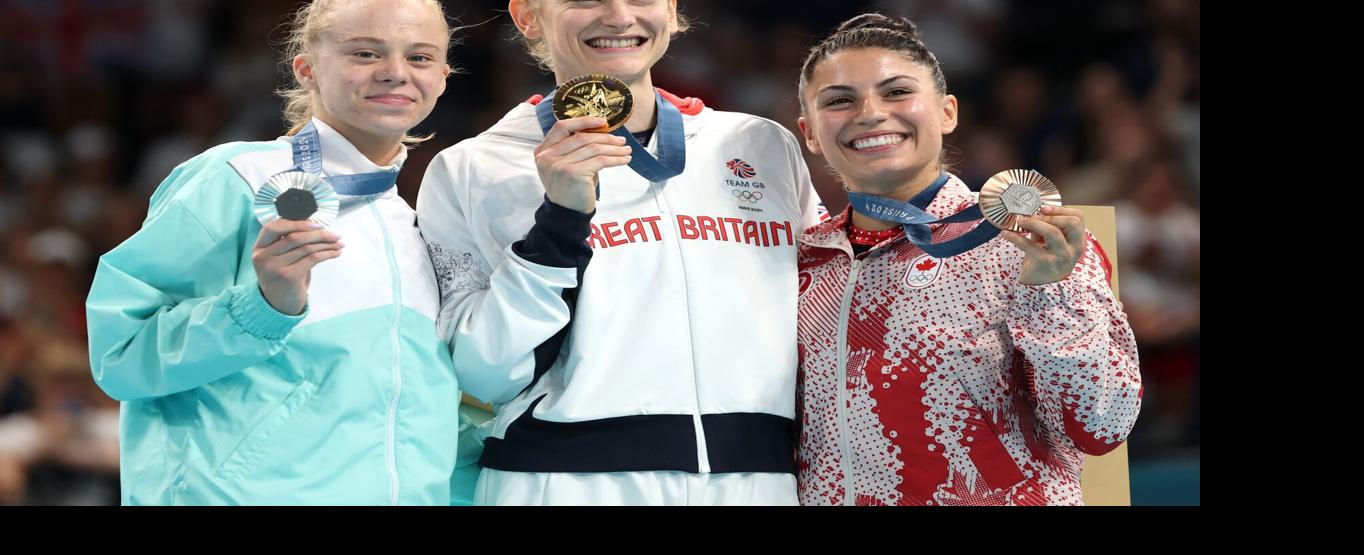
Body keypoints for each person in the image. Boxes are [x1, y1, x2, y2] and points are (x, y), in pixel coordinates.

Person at [418, 0, 824, 505]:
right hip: (563, 483)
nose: (617, 15)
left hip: (758, 481)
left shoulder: (761, 145)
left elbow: (823, 322)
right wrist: (559, 221)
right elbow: (481, 375)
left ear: (672, 10)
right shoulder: (470, 169)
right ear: (526, 16)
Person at [86, 0, 464, 505]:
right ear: (306, 68)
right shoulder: (235, 178)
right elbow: (122, 356)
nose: (395, 73)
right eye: (366, 52)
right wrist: (262, 309)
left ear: (443, 75)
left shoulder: (414, 226)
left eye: (419, 57)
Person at [794, 13, 1142, 506]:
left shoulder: (1023, 241)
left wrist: (1049, 294)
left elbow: (1101, 426)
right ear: (809, 133)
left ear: (947, 112)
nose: (870, 112)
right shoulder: (804, 264)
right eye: (840, 100)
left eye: (896, 92)